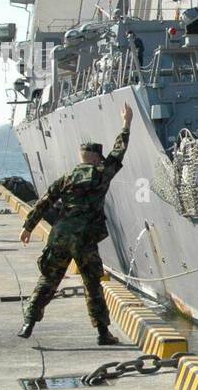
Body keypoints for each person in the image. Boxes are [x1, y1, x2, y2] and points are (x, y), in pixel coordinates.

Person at [17, 102, 132, 344]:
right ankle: (103, 333)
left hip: (60, 235)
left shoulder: (65, 179)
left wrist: (28, 227)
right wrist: (126, 123)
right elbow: (118, 151)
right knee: (92, 285)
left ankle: (28, 321)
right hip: (85, 238)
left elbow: (44, 202)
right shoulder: (101, 175)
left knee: (49, 279)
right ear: (95, 157)